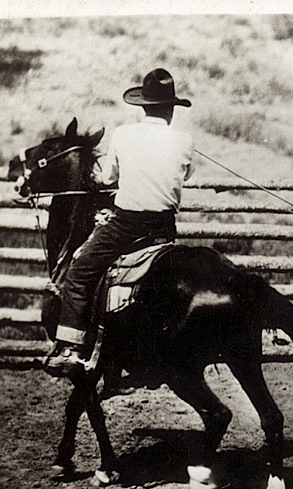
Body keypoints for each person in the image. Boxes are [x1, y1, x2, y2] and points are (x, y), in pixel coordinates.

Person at [44, 68, 194, 375]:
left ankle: (71, 348)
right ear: (171, 108)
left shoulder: (124, 134)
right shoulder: (185, 140)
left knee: (79, 270)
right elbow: (186, 174)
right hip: (165, 228)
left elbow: (107, 178)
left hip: (127, 225)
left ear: (143, 106)